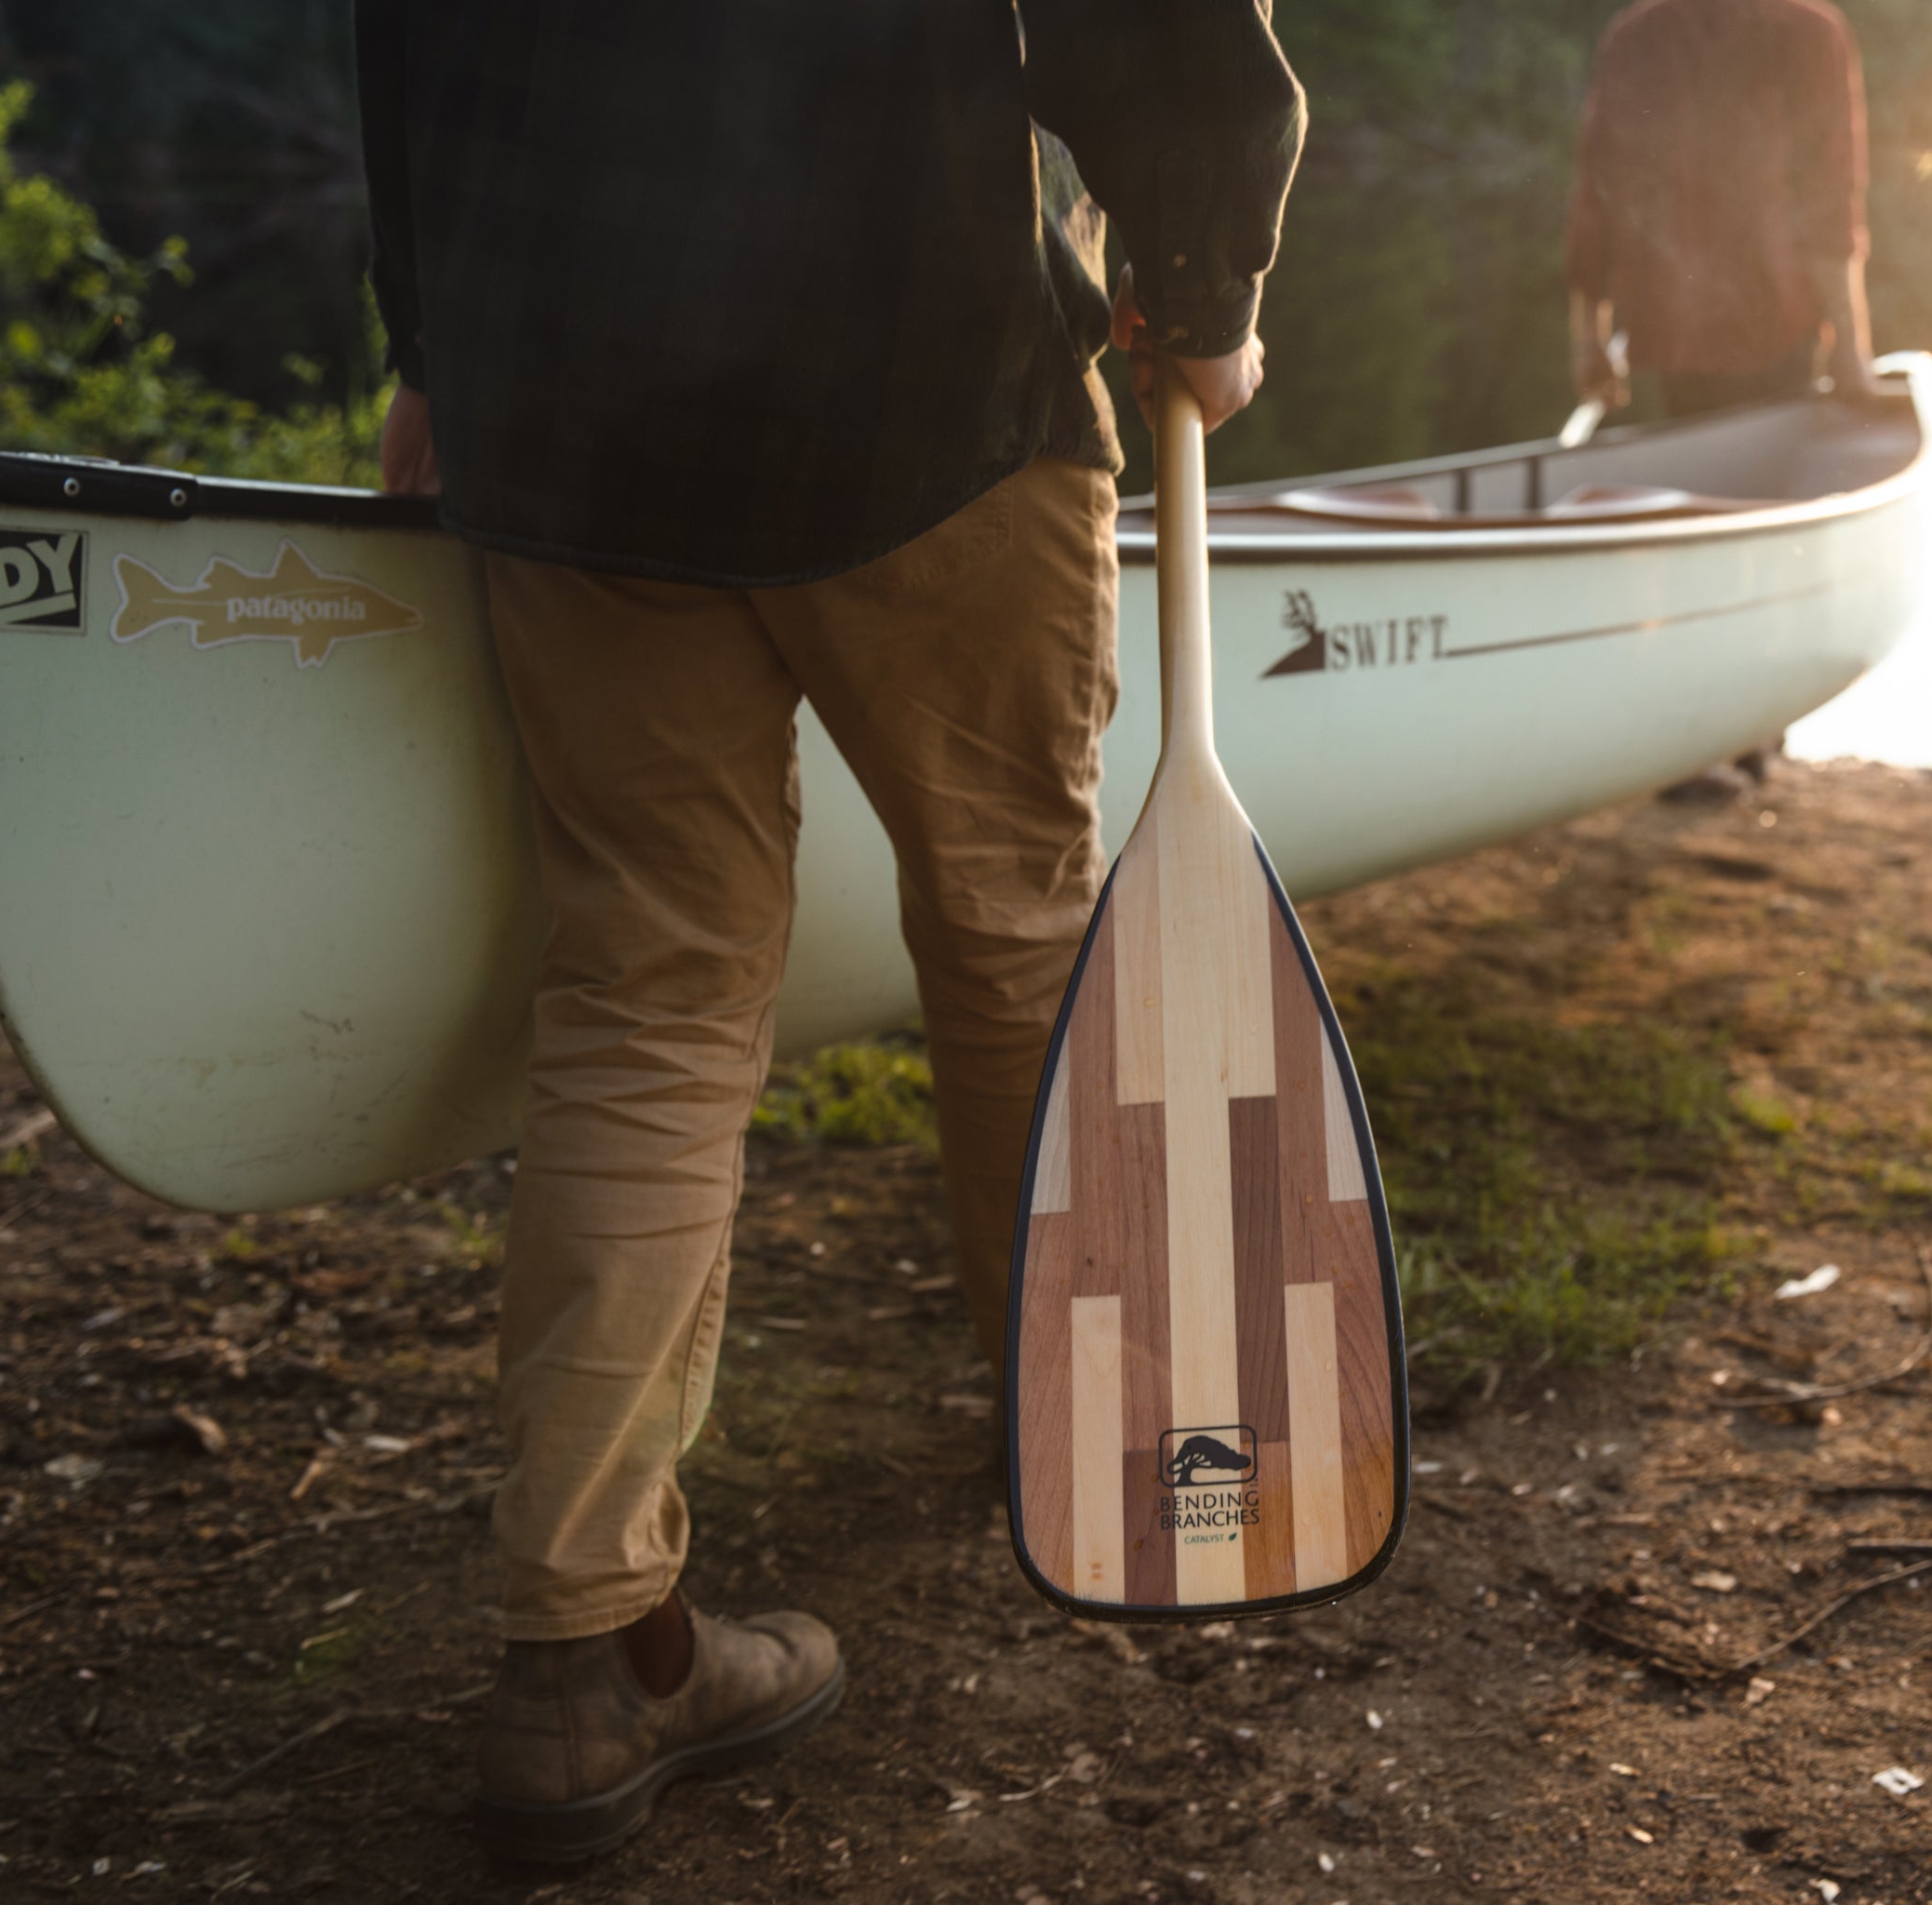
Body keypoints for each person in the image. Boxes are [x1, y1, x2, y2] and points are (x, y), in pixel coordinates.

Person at [354, 0, 1301, 1862]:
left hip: (563, 394)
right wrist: (1202, 289)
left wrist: (433, 340)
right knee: (1016, 932)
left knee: (647, 991)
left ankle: (579, 1652)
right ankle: (1080, 1420)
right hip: (913, 379)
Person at [1566, 0, 1880, 420]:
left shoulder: (1634, 36)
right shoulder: (1809, 31)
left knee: (1696, 459)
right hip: (1775, 325)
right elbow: (1830, 203)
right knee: (1770, 468)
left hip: (1673, 332)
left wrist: (1590, 338)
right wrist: (1850, 345)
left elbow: (1597, 195)